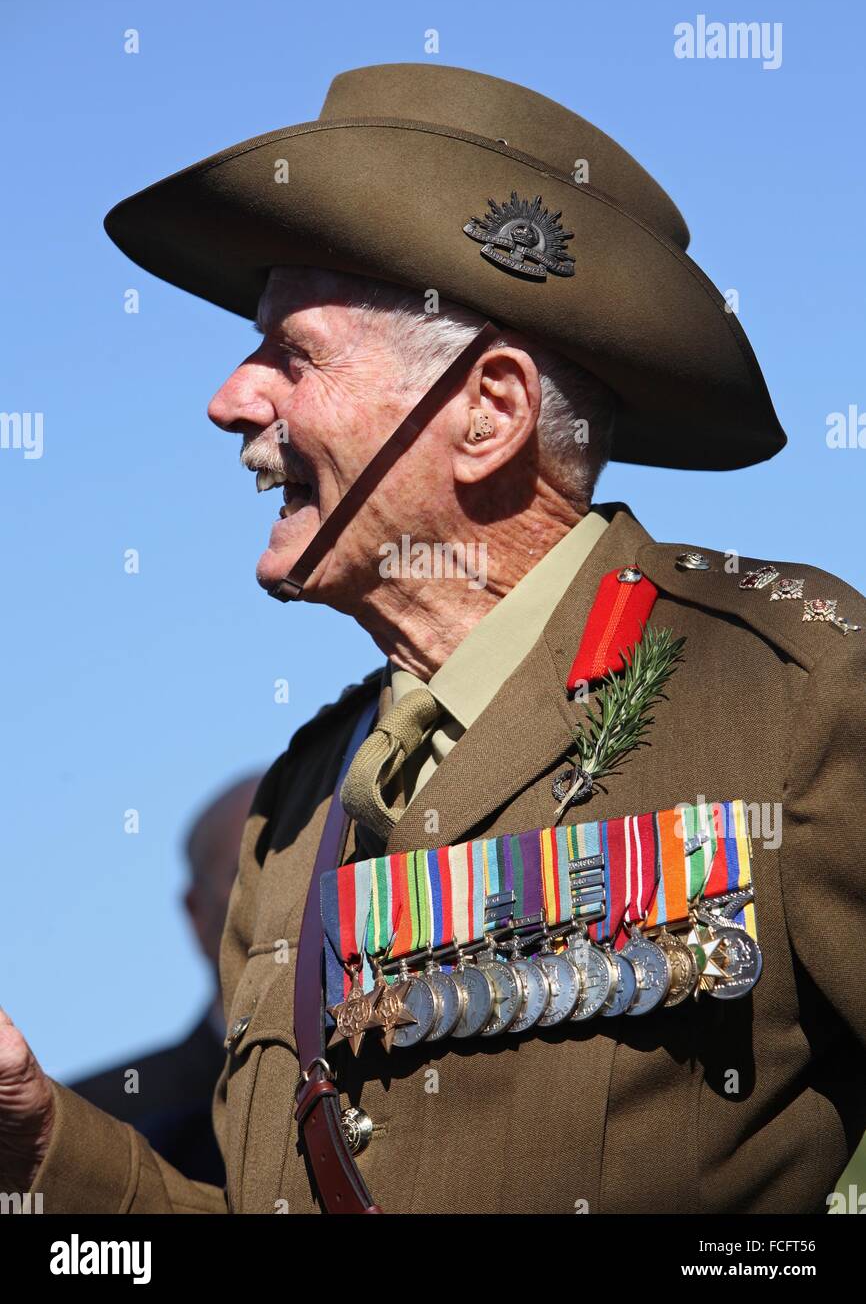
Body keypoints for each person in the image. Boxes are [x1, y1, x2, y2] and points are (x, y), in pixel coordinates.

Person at [1, 63, 864, 1215]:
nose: (230, 400)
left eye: (290, 353)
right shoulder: (295, 805)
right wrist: (40, 1147)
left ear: (486, 412)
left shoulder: (791, 686)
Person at [68, 776, 260, 1186]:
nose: (289, 903)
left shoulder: (391, 1087)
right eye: (251, 874)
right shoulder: (93, 1126)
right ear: (198, 913)